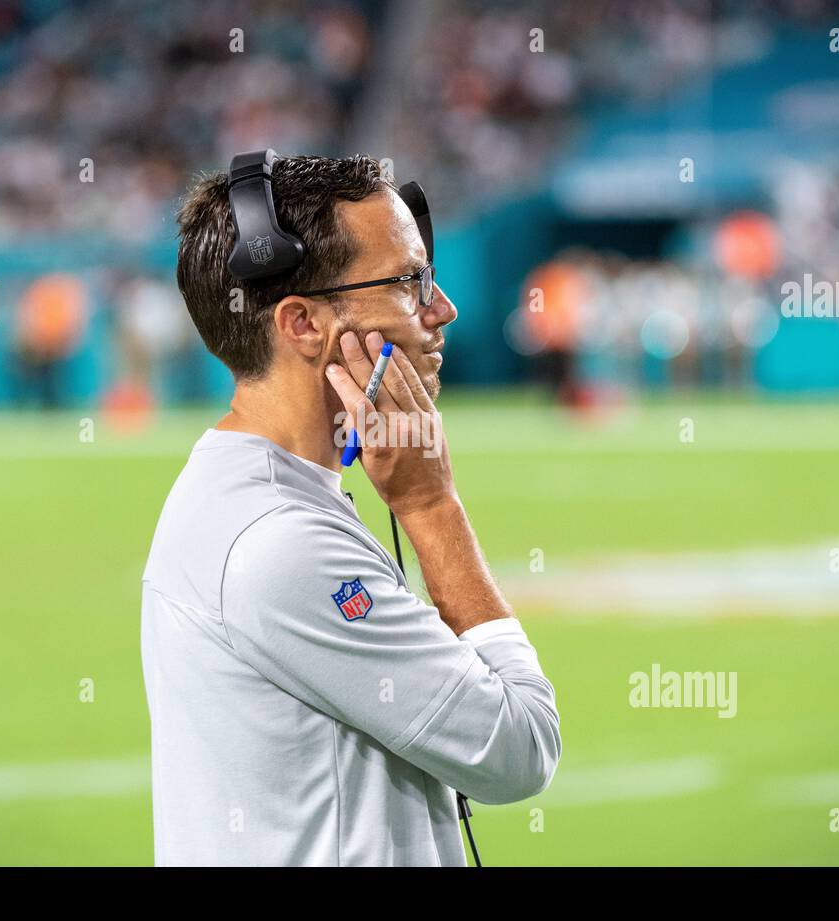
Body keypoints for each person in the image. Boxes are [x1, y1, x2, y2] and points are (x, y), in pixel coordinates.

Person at [141, 154, 561, 866]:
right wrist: (431, 506)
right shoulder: (277, 545)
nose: (442, 308)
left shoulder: (253, 494)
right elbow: (520, 750)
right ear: (302, 324)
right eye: (408, 281)